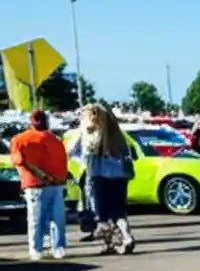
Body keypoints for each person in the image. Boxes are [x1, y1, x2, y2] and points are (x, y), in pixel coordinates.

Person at [70, 104, 136, 254]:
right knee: (118, 211)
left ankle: (112, 242)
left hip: (97, 177)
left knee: (101, 215)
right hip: (119, 177)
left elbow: (72, 151)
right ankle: (126, 237)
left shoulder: (87, 134)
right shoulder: (116, 134)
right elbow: (128, 153)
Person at [9, 110, 69, 260]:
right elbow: (20, 161)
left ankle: (43, 249)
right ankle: (48, 248)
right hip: (45, 184)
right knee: (53, 219)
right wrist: (43, 175)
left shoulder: (21, 139)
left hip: (44, 184)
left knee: (40, 219)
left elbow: (19, 161)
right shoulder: (53, 139)